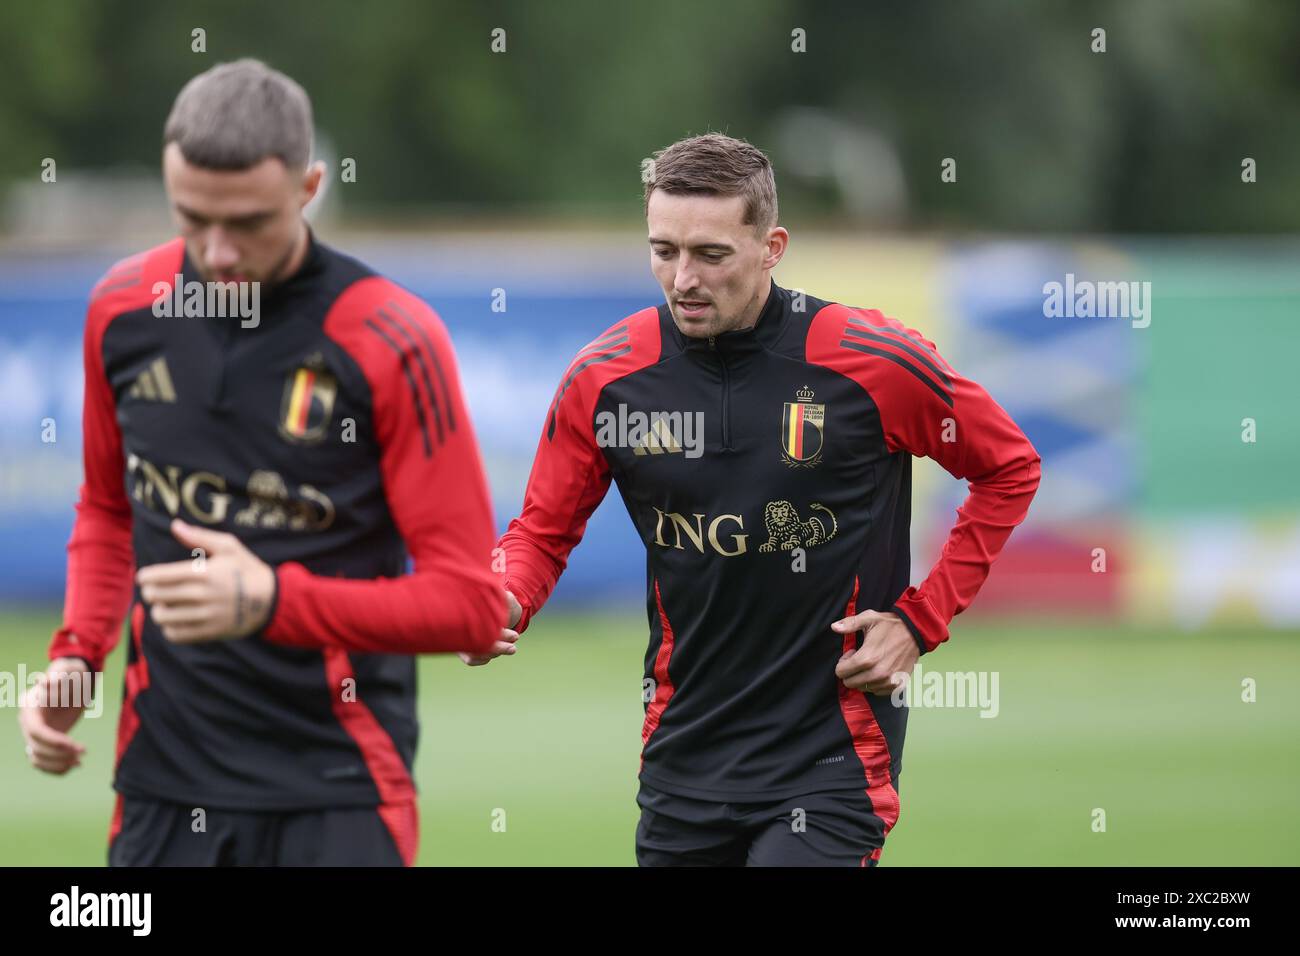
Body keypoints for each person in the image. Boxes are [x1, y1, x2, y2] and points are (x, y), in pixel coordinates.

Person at [486, 133, 1041, 866]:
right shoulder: (607, 378)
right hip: (684, 753)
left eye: (711, 255)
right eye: (663, 250)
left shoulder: (870, 360)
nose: (683, 277)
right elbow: (541, 531)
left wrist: (919, 619)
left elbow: (1008, 467)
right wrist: (501, 597)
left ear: (771, 246)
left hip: (832, 753)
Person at [18, 58, 508, 867]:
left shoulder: (390, 338)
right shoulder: (121, 309)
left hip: (338, 791)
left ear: (309, 186)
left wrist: (274, 600)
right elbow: (109, 508)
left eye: (247, 221)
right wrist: (76, 657)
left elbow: (471, 606)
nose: (216, 251)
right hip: (162, 792)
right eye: (190, 216)